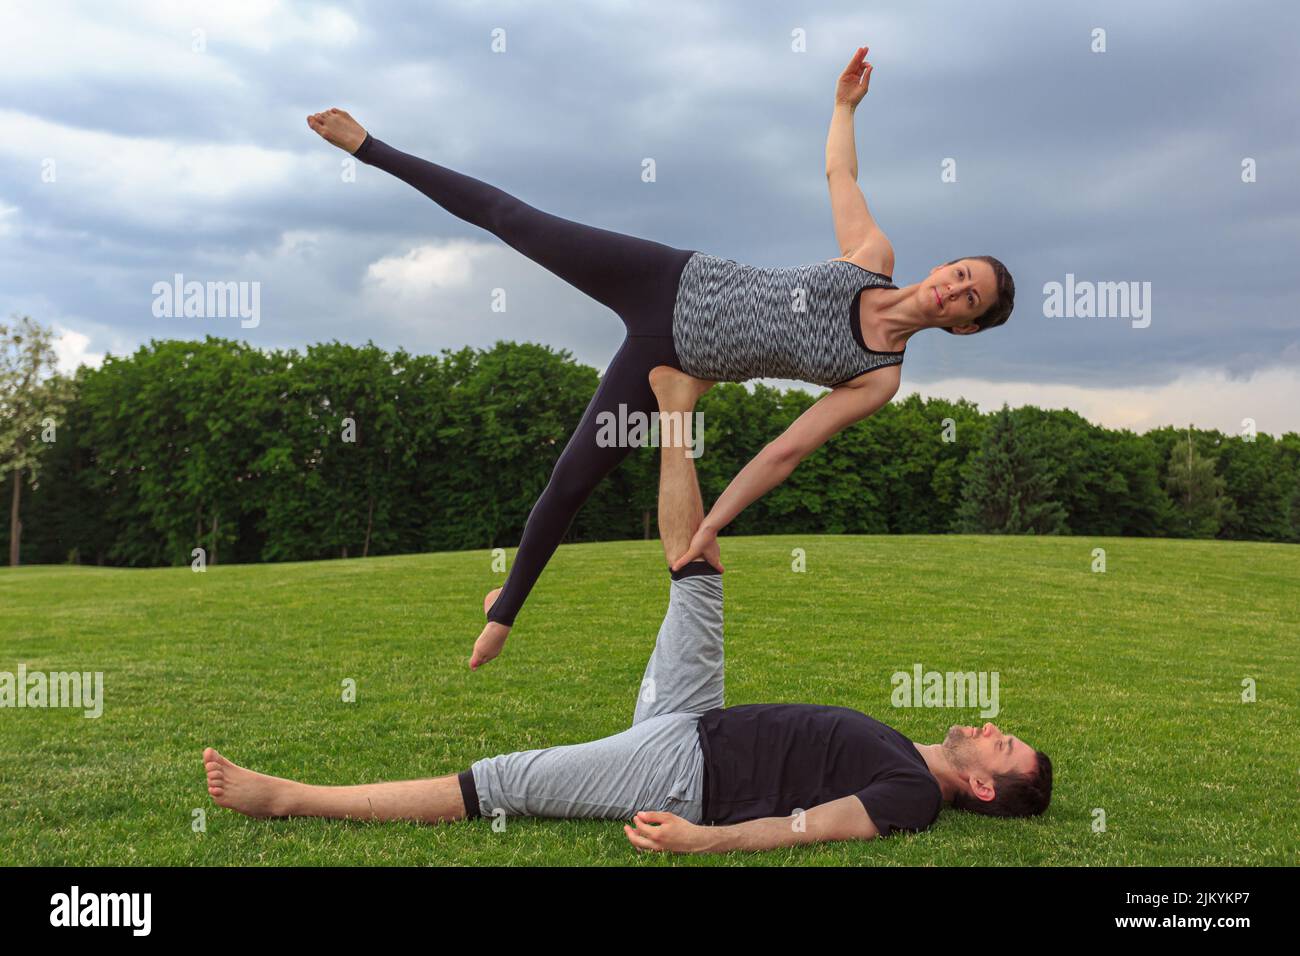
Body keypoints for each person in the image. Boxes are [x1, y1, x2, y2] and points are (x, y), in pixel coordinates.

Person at [306, 45, 1015, 669]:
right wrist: (844, 106)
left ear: (965, 329)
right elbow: (840, 174)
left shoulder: (877, 377)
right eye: (960, 273)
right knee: (514, 219)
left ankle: (505, 611)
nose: (953, 289)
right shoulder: (874, 257)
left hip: (669, 360)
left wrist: (710, 526)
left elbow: (783, 453)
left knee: (573, 474)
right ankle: (370, 146)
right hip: (666, 276)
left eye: (969, 299)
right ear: (945, 265)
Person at [202, 368, 1050, 854]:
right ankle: (676, 405)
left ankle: (289, 798)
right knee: (701, 572)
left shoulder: (910, 792)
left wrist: (704, 842)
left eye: (1002, 745)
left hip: (681, 776)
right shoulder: (905, 753)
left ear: (981, 786)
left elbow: (810, 828)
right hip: (695, 720)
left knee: (502, 784)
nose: (990, 725)